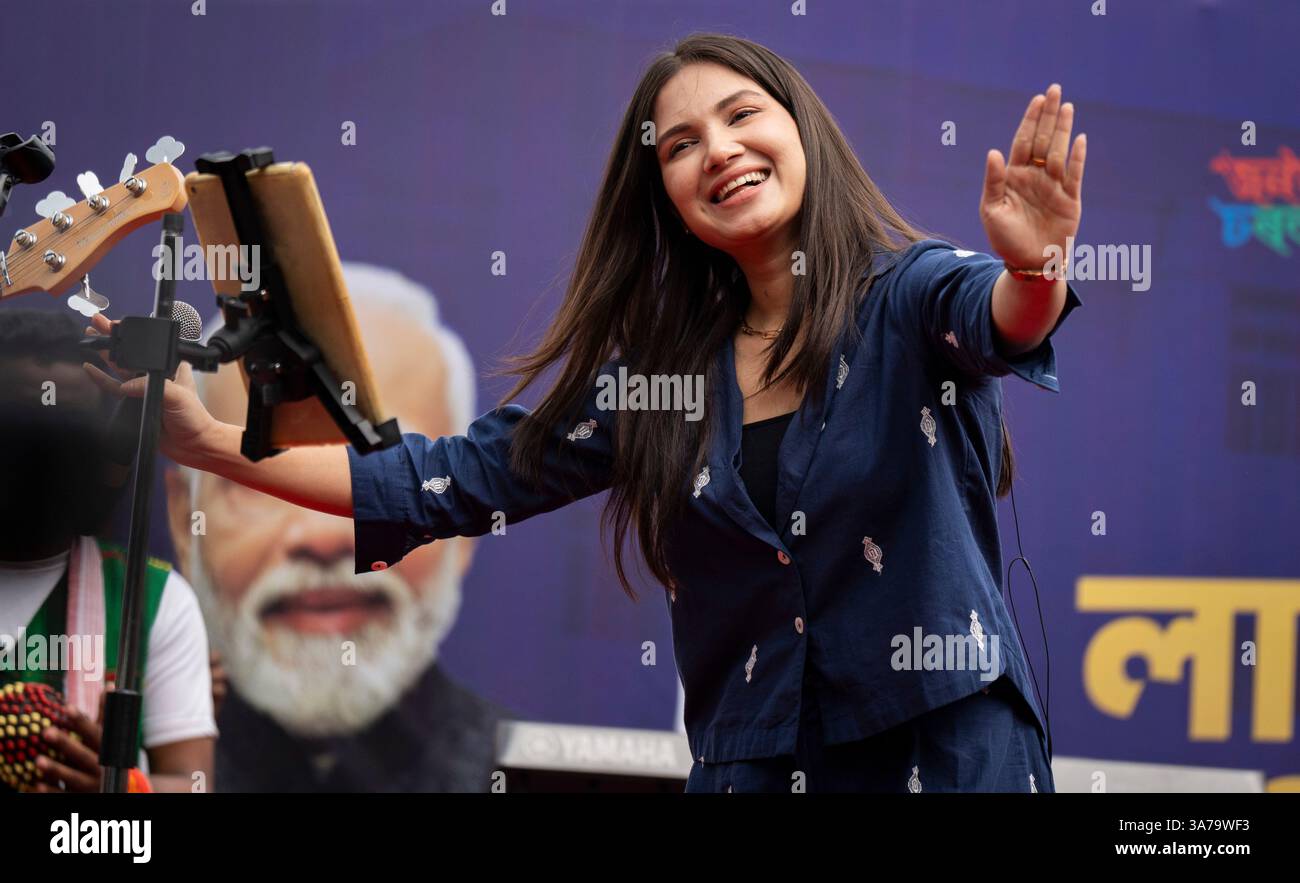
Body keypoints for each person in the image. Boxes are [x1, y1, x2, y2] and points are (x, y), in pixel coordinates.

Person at [85, 33, 1086, 793]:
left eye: (744, 117)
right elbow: (442, 482)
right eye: (682, 144)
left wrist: (1033, 264)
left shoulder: (910, 293)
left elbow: (1000, 320)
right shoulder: (655, 383)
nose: (721, 151)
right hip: (756, 757)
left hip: (947, 746)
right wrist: (210, 444)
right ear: (665, 197)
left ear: (801, 132)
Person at [162, 263, 508, 791]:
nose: (323, 536)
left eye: (393, 470)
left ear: (467, 518)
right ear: (187, 521)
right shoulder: (113, 775)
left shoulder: (531, 778)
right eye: (261, 472)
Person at [0, 308, 216, 793]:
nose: (43, 451)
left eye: (68, 424)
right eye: (18, 422)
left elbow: (195, 783)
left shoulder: (153, 598)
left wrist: (120, 787)